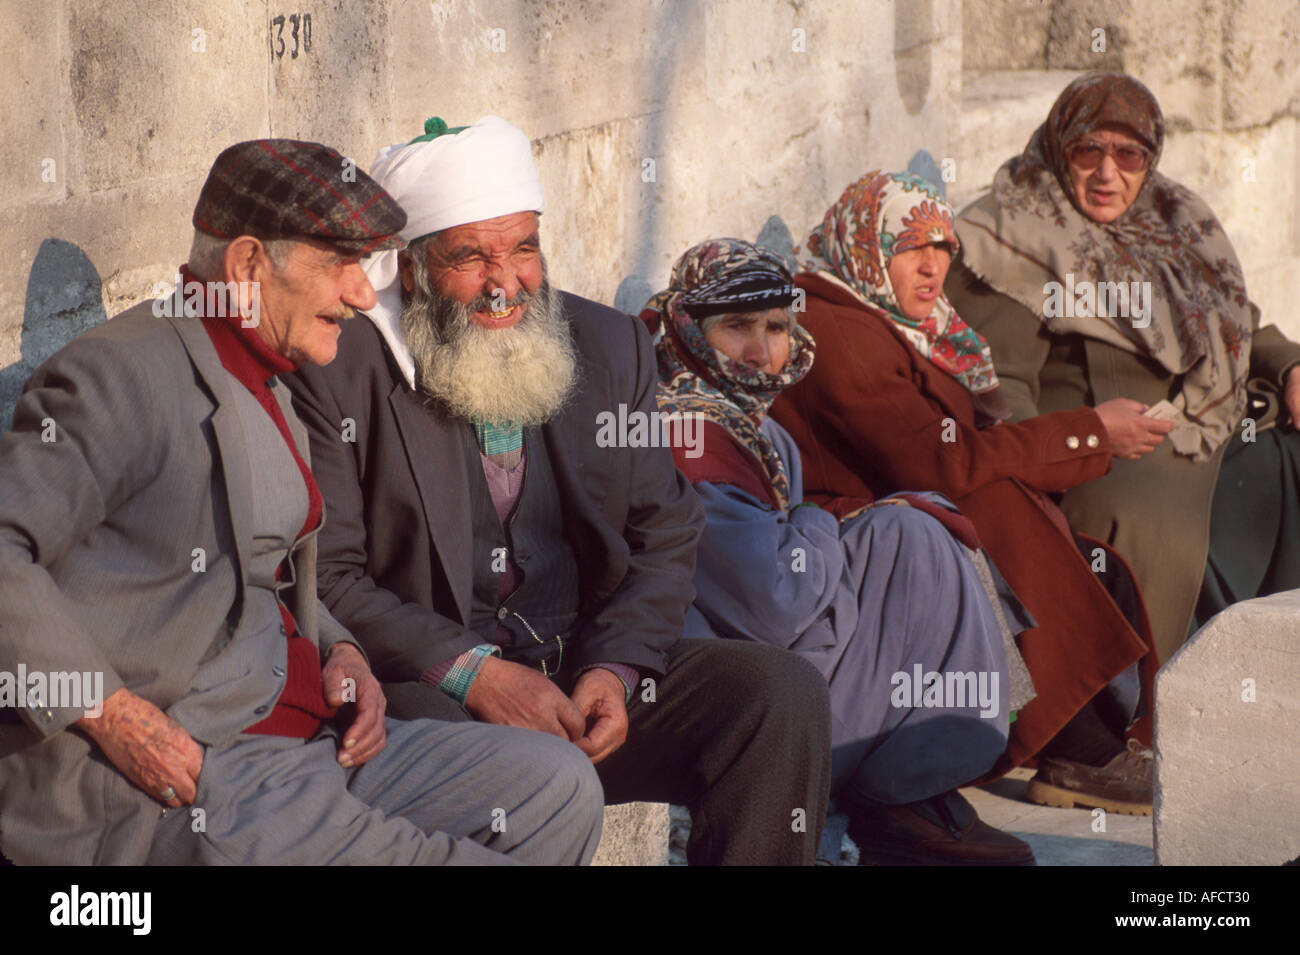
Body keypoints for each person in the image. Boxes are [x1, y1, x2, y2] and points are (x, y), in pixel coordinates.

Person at [0, 139, 604, 866]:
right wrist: (117, 715)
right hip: (192, 777)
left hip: (311, 747)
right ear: (248, 265)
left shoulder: (271, 374)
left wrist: (340, 648)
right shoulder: (119, 372)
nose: (359, 293)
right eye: (338, 265)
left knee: (559, 786)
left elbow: (261, 576)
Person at [285, 116, 833, 866]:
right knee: (471, 757)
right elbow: (333, 577)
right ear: (412, 271)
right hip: (435, 685)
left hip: (582, 669)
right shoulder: (344, 373)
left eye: (523, 249)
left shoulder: (609, 348)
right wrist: (476, 674)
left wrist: (616, 666)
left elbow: (663, 531)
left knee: (780, 696)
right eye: (470, 257)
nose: (504, 283)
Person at [771, 170, 1161, 815]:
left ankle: (1087, 740)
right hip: (848, 529)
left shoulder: (893, 318)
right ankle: (1077, 751)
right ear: (866, 252)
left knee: (1054, 538)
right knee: (994, 507)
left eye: (943, 248)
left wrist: (1081, 439)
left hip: (913, 505)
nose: (932, 268)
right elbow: (938, 461)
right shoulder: (838, 331)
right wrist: (1089, 432)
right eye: (910, 249)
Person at [641, 237, 1035, 865]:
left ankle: (910, 793)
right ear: (689, 326)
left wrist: (829, 524)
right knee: (910, 538)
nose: (763, 351)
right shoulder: (692, 436)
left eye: (775, 327)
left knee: (917, 529)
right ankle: (887, 798)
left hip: (770, 633)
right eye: (736, 327)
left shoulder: (753, 423)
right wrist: (818, 522)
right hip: (720, 674)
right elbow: (773, 606)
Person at [947, 71, 1300, 664]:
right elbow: (997, 384)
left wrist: (1291, 367)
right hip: (1106, 448)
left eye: (1128, 154)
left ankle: (1274, 668)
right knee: (1149, 517)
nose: (1108, 173)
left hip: (1212, 423)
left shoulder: (1176, 220)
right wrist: (1080, 439)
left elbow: (1239, 325)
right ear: (1060, 147)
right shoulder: (1010, 236)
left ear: (1150, 157)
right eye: (1088, 150)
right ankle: (1144, 707)